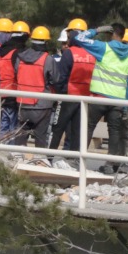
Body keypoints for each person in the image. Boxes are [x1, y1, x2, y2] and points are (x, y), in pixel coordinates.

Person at [71, 23, 128, 168]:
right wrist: (127, 107)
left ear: (111, 34)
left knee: (88, 127)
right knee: (114, 132)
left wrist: (96, 30)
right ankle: (110, 165)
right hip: (118, 102)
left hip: (99, 98)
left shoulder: (103, 48)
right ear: (123, 35)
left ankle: (79, 161)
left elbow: (78, 38)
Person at [0, 26, 55, 149]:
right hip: (42, 105)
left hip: (22, 104)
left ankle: (19, 160)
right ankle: (39, 162)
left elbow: (16, 74)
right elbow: (56, 79)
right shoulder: (48, 59)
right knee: (40, 138)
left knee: (20, 139)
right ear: (46, 42)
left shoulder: (20, 57)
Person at [49, 18, 94, 153]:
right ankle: (74, 160)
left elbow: (60, 77)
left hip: (69, 96)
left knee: (58, 128)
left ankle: (49, 156)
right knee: (77, 129)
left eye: (68, 35)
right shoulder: (92, 53)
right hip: (86, 97)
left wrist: (61, 92)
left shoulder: (69, 53)